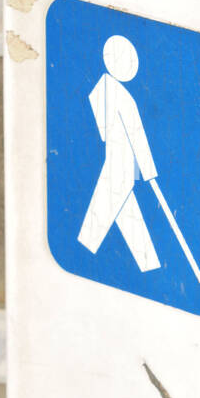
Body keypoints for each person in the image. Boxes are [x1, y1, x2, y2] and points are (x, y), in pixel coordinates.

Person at [78, 34, 160, 272]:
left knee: (123, 211)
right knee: (105, 211)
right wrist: (149, 172)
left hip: (120, 161)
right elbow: (137, 137)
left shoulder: (102, 89)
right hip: (121, 162)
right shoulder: (119, 96)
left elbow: (108, 130)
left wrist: (147, 171)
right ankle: (83, 256)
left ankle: (149, 264)